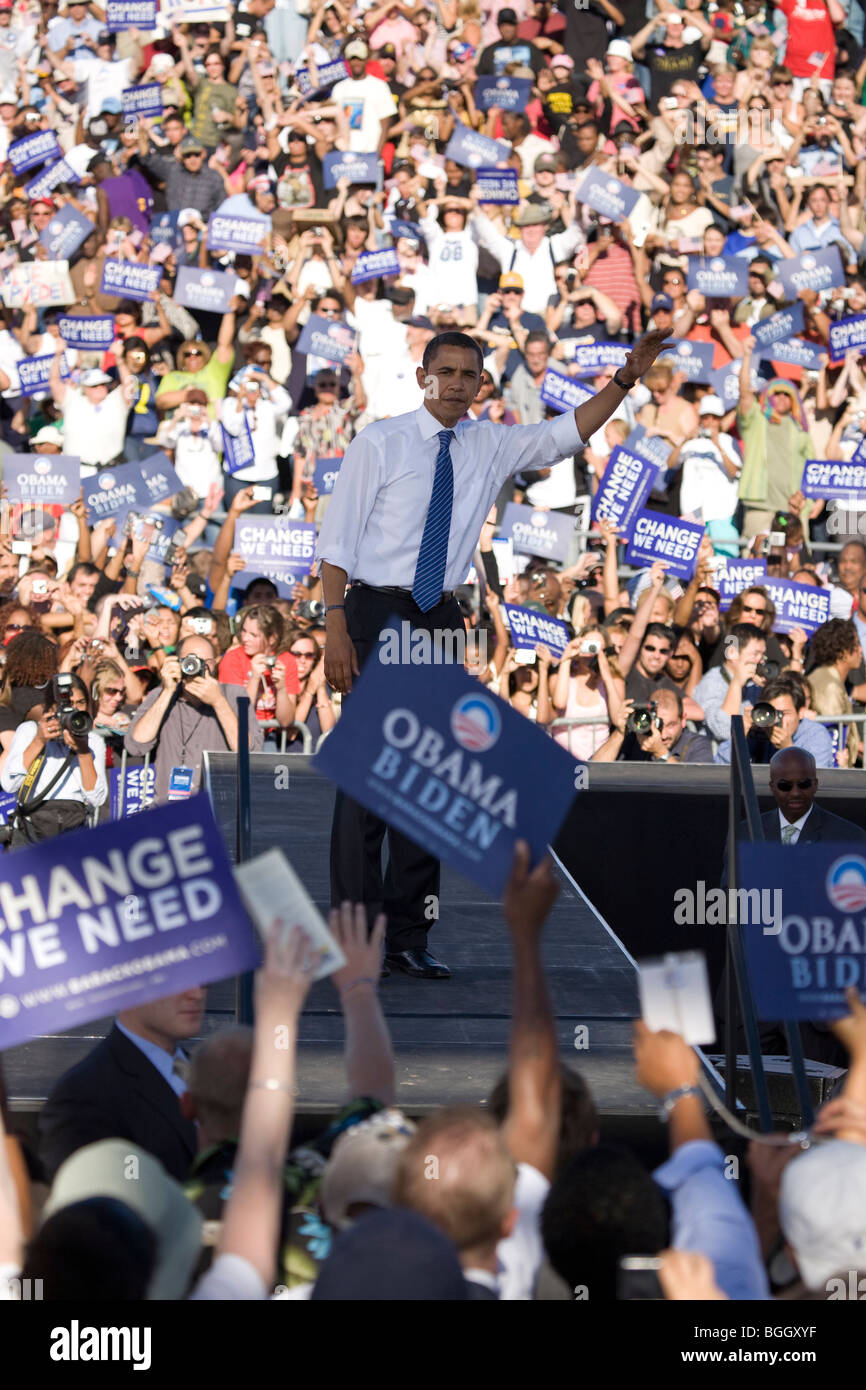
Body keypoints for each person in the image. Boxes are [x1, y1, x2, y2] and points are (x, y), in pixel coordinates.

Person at [318, 326, 671, 979]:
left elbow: (570, 432)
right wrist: (335, 623)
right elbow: (336, 543)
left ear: (483, 383)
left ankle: (406, 937)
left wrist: (625, 379)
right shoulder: (380, 442)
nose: (456, 383)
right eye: (444, 371)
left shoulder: (491, 443)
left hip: (441, 614)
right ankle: (354, 936)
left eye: (468, 374)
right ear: (423, 375)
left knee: (429, 776)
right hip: (374, 608)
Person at [39, 988, 205, 1182]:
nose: (197, 994)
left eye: (203, 978)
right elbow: (83, 1207)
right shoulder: (83, 1094)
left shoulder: (208, 1074)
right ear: (129, 982)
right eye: (179, 978)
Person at [124, 633, 263, 803]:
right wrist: (167, 691)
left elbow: (250, 753)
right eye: (191, 660)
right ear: (177, 662)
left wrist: (218, 702)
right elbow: (136, 745)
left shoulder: (234, 695)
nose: (198, 667)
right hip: (169, 808)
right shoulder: (161, 695)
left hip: (217, 808)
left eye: (206, 662)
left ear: (215, 663)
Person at [0, 672, 107, 846]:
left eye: (80, 703)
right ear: (50, 707)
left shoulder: (93, 741)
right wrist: (39, 741)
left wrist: (83, 751)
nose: (73, 711)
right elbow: (9, 784)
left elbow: (97, 798)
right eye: (66, 705)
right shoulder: (29, 731)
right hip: (31, 833)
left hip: (73, 833)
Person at [713, 674, 836, 767]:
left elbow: (814, 780)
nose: (776, 719)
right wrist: (741, 732)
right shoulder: (758, 730)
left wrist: (788, 750)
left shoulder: (816, 735)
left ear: (801, 712)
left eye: (783, 713)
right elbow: (721, 765)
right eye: (771, 712)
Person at [592, 686, 714, 763]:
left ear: (683, 720)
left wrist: (661, 753)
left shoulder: (698, 745)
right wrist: (619, 732)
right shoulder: (634, 737)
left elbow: (696, 787)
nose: (664, 735)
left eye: (671, 725)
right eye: (658, 725)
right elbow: (591, 774)